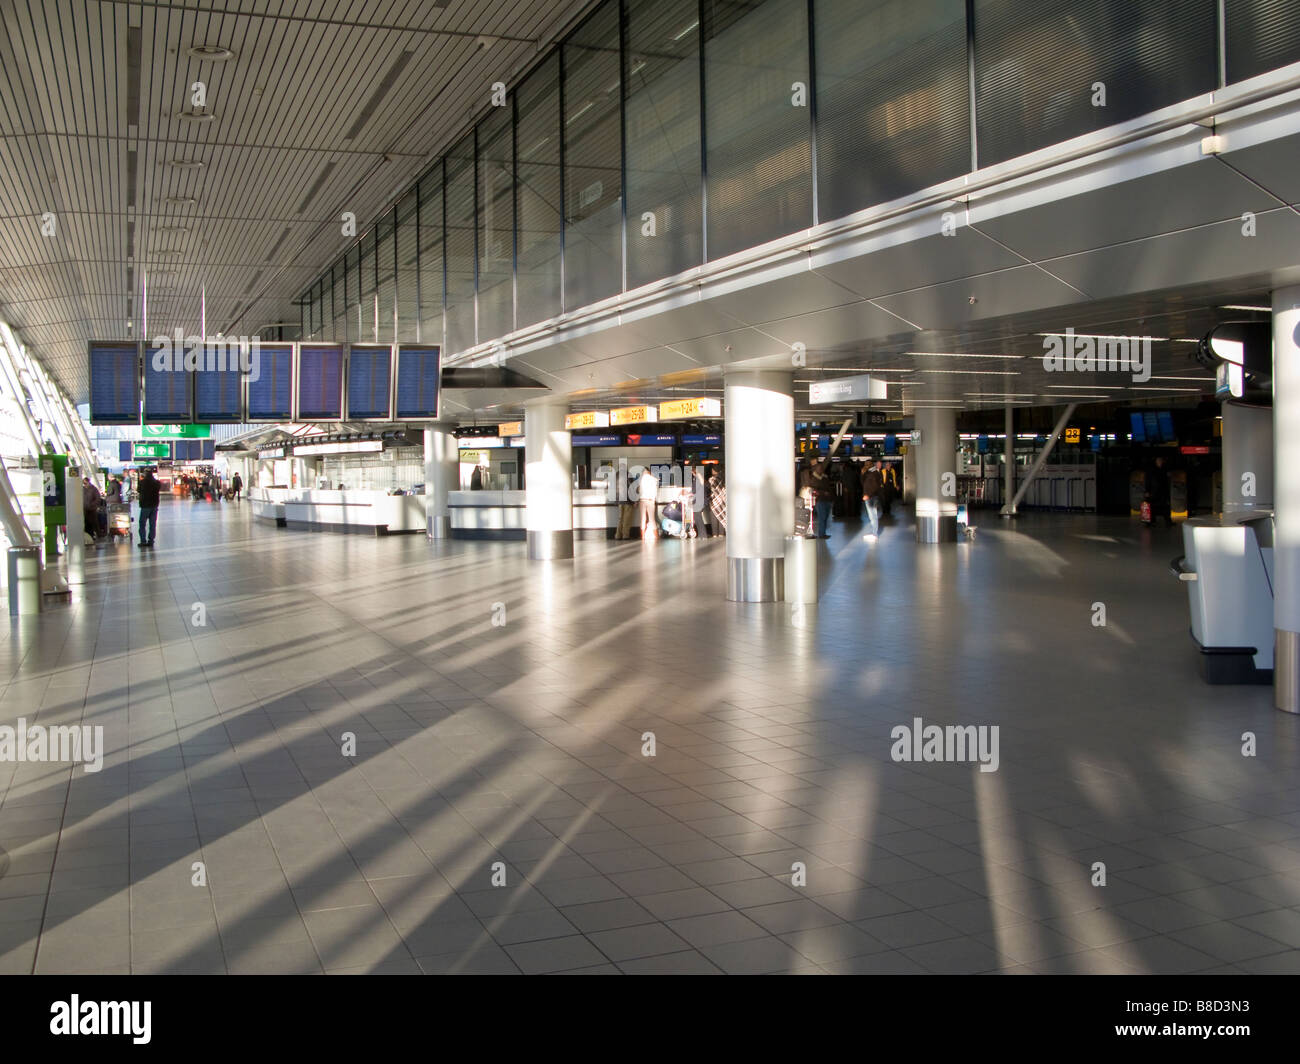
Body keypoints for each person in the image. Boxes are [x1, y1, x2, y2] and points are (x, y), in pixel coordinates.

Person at [1146, 455, 1173, 528]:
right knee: (1152, 506)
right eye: (1159, 460)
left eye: (1161, 460)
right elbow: (1148, 481)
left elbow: (1167, 479)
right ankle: (1151, 521)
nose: (1160, 462)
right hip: (1154, 491)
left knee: (1165, 506)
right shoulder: (1151, 470)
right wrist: (1147, 491)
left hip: (1163, 491)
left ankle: (1168, 521)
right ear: (1156, 461)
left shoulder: (1165, 469)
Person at [810, 457, 834, 538]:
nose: (821, 470)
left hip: (827, 500)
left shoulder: (825, 477)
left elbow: (829, 487)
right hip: (820, 500)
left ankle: (823, 533)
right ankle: (821, 534)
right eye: (820, 468)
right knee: (822, 517)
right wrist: (823, 493)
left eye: (822, 468)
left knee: (825, 517)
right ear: (816, 469)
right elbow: (814, 490)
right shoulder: (814, 479)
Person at [137, 468, 161, 548]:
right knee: (152, 524)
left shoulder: (142, 482)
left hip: (145, 506)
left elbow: (138, 490)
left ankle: (143, 541)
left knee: (142, 524)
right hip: (154, 505)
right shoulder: (157, 483)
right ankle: (151, 541)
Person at [862, 460, 884, 538]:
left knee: (872, 515)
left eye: (866, 464)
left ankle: (874, 534)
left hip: (871, 497)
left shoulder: (872, 473)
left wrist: (868, 494)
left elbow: (875, 486)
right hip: (873, 496)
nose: (865, 466)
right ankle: (874, 533)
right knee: (873, 515)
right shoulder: (873, 472)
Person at [638, 465, 659, 541]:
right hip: (650, 501)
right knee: (652, 519)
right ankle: (656, 536)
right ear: (649, 472)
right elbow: (655, 492)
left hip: (642, 500)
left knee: (643, 519)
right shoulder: (654, 479)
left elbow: (639, 491)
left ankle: (643, 537)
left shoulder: (640, 479)